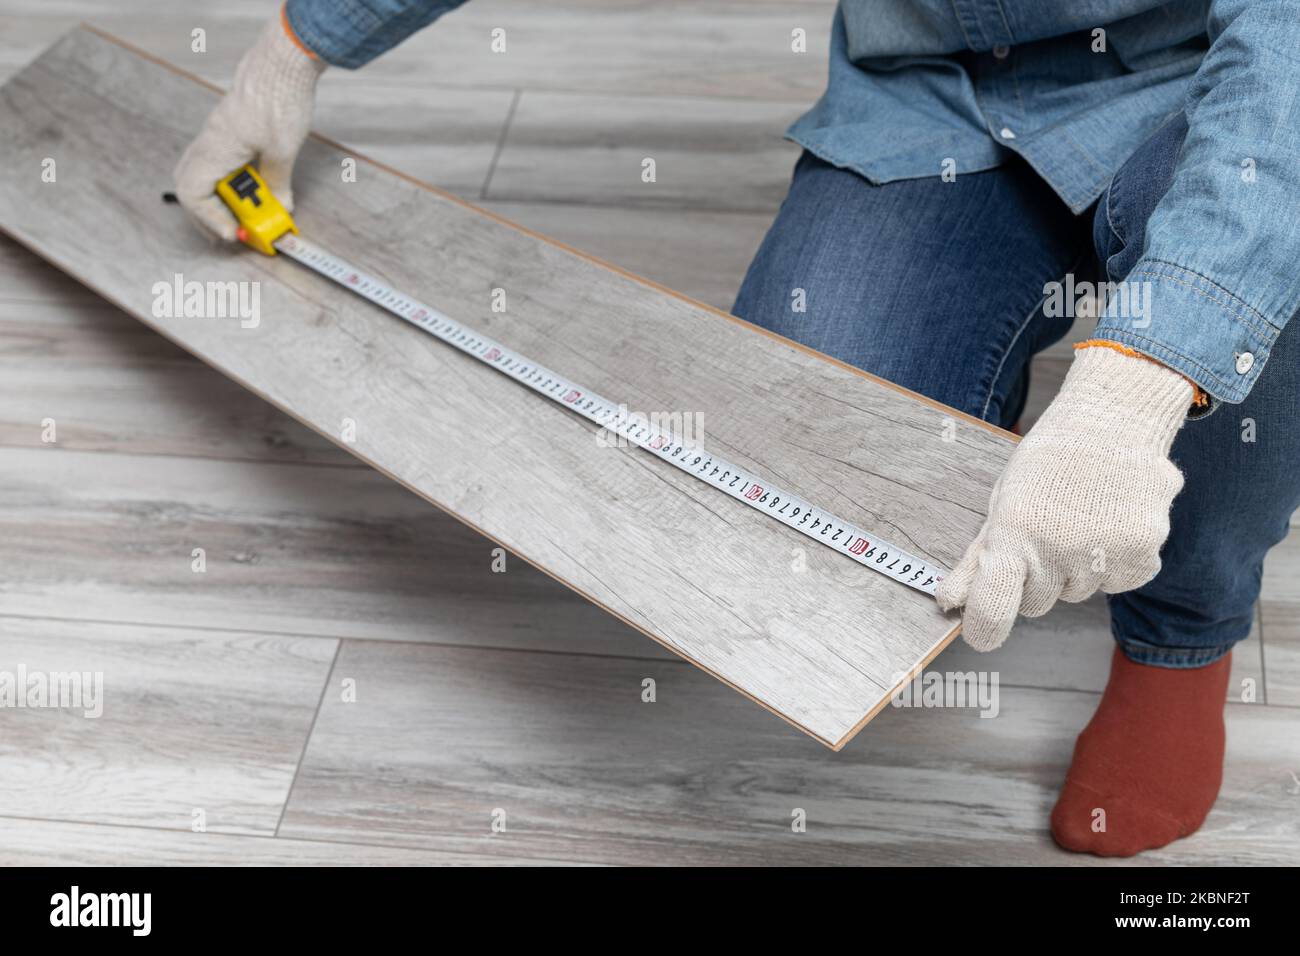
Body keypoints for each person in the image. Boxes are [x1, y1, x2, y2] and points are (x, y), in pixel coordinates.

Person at [175, 0, 1300, 858]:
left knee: (1267, 288)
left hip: (1216, 70)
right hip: (938, 89)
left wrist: (1140, 379)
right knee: (811, 464)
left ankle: (1181, 636)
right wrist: (296, 42)